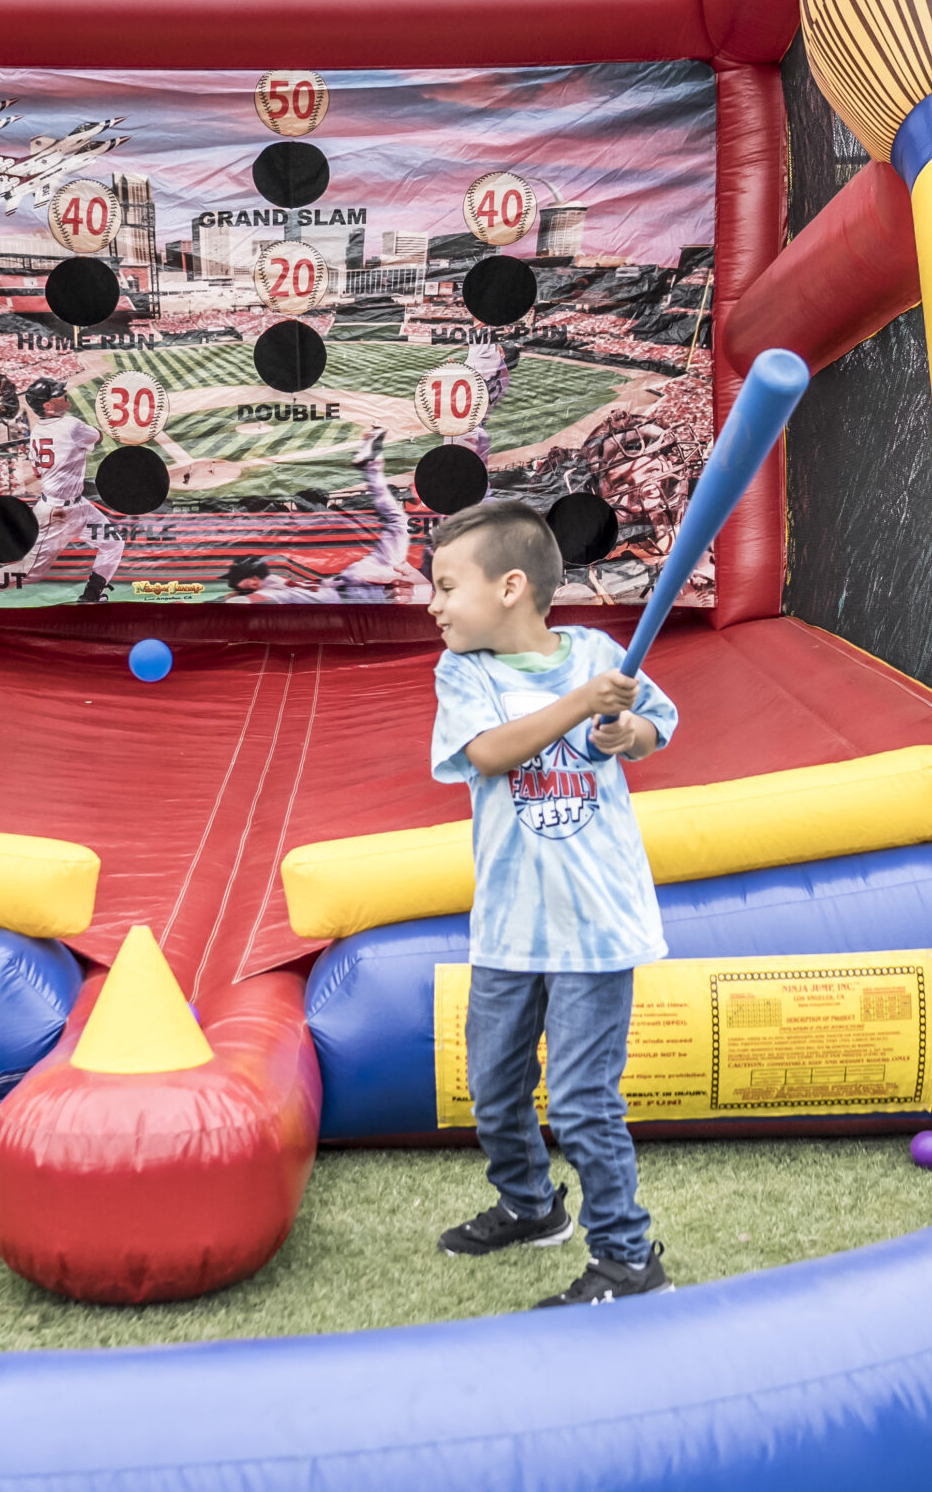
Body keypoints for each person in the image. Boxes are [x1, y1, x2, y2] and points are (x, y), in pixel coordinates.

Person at [423, 499, 678, 1307]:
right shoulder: (465, 673)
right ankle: (531, 1204)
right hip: (509, 925)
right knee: (493, 1087)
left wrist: (626, 734)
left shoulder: (598, 653)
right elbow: (489, 752)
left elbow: (656, 726)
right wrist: (580, 706)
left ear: (510, 587)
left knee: (580, 1100)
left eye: (445, 586)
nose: (432, 605)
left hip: (596, 925)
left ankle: (628, 1259)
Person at [222, 427, 429, 604]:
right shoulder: (272, 579)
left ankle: (371, 466)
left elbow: (257, 596)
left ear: (253, 580)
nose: (234, 584)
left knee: (397, 523)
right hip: (369, 575)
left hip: (363, 585)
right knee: (397, 522)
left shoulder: (272, 584)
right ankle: (371, 466)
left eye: (237, 580)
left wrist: (233, 600)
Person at [0, 377, 123, 606]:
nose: (64, 393)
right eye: (58, 393)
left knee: (113, 543)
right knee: (31, 572)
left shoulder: (38, 430)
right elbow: (98, 437)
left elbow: (38, 473)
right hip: (55, 513)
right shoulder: (71, 425)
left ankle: (92, 596)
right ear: (48, 405)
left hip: (79, 507)